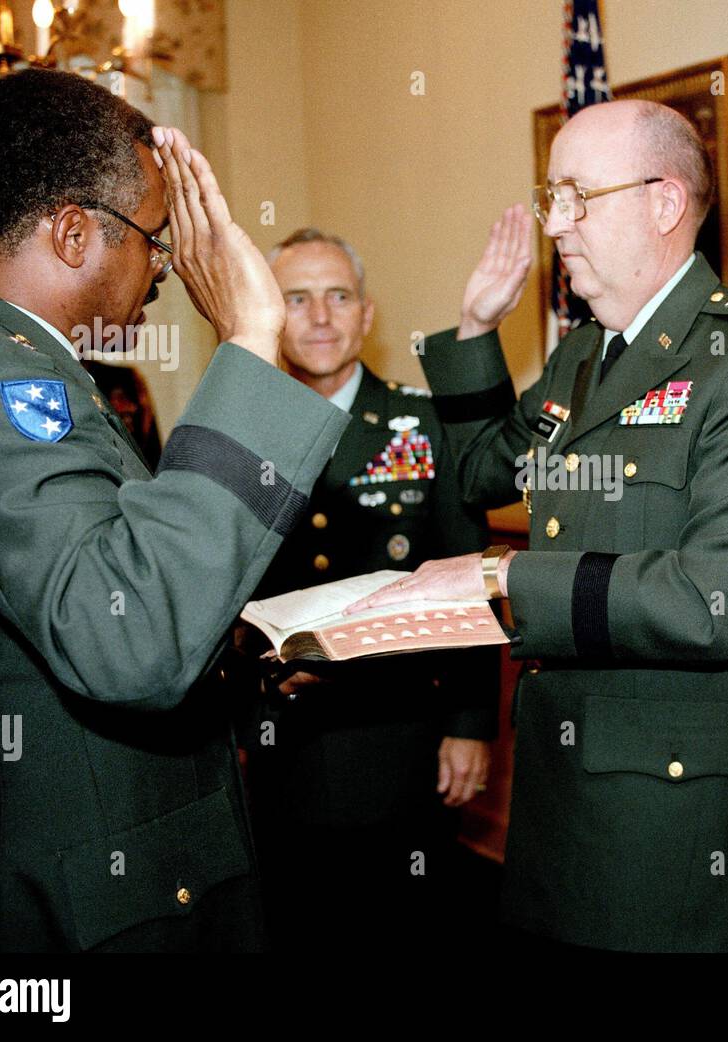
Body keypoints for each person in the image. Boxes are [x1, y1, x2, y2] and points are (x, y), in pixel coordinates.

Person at [355, 99, 728, 952]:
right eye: (551, 199)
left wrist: (500, 580)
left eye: (578, 197)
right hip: (562, 797)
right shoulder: (588, 354)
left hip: (674, 823)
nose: (556, 225)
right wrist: (476, 332)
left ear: (663, 203)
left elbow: (711, 600)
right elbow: (480, 474)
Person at [0, 69, 348, 951]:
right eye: (155, 240)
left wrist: (235, 650)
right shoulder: (1, 393)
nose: (165, 267)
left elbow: (66, 595)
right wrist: (251, 341)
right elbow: (133, 643)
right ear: (75, 232)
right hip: (82, 905)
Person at [240, 228, 499, 950]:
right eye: (297, 298)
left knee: (407, 921)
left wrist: (471, 725)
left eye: (338, 296)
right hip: (283, 737)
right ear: (271, 312)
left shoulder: (423, 425)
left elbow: (465, 576)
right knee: (295, 918)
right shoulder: (241, 428)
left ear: (367, 314)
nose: (319, 316)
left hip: (402, 734)